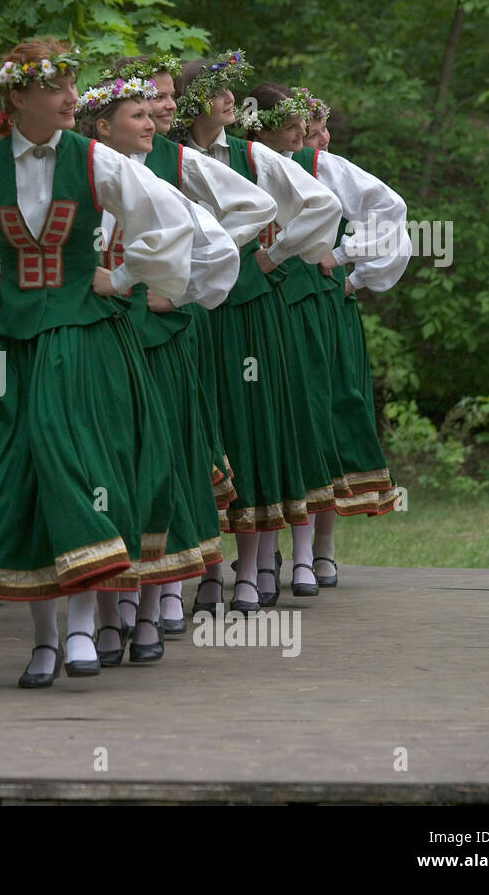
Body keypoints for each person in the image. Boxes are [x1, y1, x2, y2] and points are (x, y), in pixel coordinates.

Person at [0, 38, 198, 687]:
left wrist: (122, 280)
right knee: (20, 473)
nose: (70, 98)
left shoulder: (96, 163)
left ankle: (83, 630)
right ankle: (44, 639)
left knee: (78, 465)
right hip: (9, 338)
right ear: (18, 97)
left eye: (72, 85)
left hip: (84, 339)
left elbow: (170, 223)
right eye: (57, 87)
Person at [102, 52, 276, 627]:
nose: (162, 108)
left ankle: (168, 587)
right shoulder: (82, 168)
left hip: (162, 325)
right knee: (113, 453)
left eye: (168, 97)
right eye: (149, 99)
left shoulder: (173, 164)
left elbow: (248, 211)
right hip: (99, 331)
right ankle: (118, 588)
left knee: (172, 447)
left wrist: (178, 284)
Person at [77, 73, 239, 661]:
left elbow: (217, 248)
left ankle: (154, 601)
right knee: (103, 466)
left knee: (157, 463)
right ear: (101, 127)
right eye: (137, 115)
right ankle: (110, 605)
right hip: (95, 340)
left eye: (153, 113)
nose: (152, 123)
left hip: (154, 341)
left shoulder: (153, 183)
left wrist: (176, 293)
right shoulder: (79, 181)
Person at [174, 49, 342, 611]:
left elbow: (322, 204)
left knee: (252, 424)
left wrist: (270, 259)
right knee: (198, 428)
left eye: (234, 91)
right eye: (219, 90)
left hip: (247, 309)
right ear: (194, 99)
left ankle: (252, 566)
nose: (232, 100)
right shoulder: (164, 157)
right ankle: (201, 570)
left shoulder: (251, 156)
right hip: (189, 310)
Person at [291, 86, 410, 585]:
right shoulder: (246, 162)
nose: (322, 138)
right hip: (269, 312)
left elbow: (393, 214)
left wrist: (347, 269)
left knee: (330, 413)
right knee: (284, 422)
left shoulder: (327, 167)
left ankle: (321, 547)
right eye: (313, 129)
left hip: (325, 308)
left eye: (320, 129)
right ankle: (268, 552)